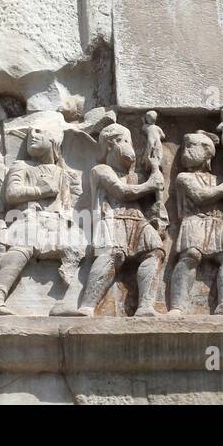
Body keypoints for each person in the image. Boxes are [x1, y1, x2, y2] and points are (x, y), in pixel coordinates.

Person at [0, 124, 85, 316]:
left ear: (53, 140)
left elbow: (71, 203)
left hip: (57, 222)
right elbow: (12, 193)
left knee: (82, 246)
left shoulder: (63, 173)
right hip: (28, 217)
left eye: (39, 131)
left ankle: (68, 303)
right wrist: (42, 191)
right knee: (25, 243)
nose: (32, 135)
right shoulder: (21, 166)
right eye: (30, 133)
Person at [72, 123, 165, 317]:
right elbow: (121, 191)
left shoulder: (135, 175)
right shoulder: (101, 170)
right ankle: (88, 306)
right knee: (113, 254)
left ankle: (145, 306)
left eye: (128, 141)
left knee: (155, 250)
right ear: (109, 145)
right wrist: (150, 184)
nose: (128, 146)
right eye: (122, 141)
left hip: (137, 220)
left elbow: (150, 160)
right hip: (111, 217)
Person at [169, 132, 223, 315]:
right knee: (191, 255)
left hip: (217, 223)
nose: (187, 151)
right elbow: (201, 196)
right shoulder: (184, 177)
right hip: (194, 220)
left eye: (192, 146)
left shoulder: (217, 180)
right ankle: (177, 307)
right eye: (185, 147)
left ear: (207, 154)